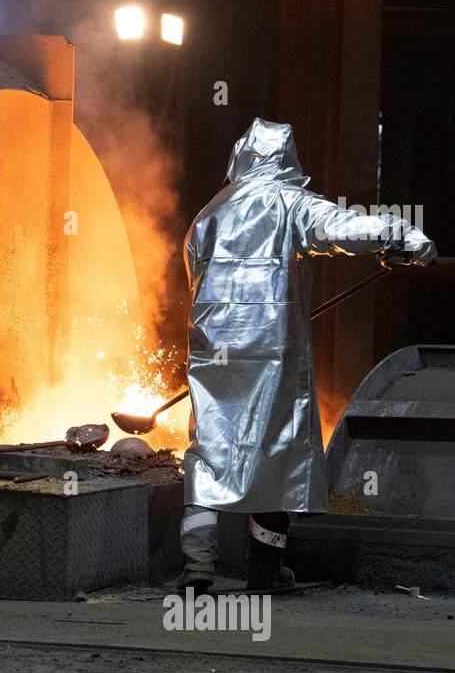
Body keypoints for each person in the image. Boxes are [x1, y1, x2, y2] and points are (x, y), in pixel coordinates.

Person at [178, 118, 436, 592]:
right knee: (276, 454)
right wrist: (400, 236)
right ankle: (264, 572)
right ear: (286, 160)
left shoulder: (208, 213)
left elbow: (194, 278)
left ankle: (198, 566)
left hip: (214, 351)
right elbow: (340, 226)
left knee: (210, 452)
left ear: (241, 157)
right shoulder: (287, 202)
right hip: (272, 353)